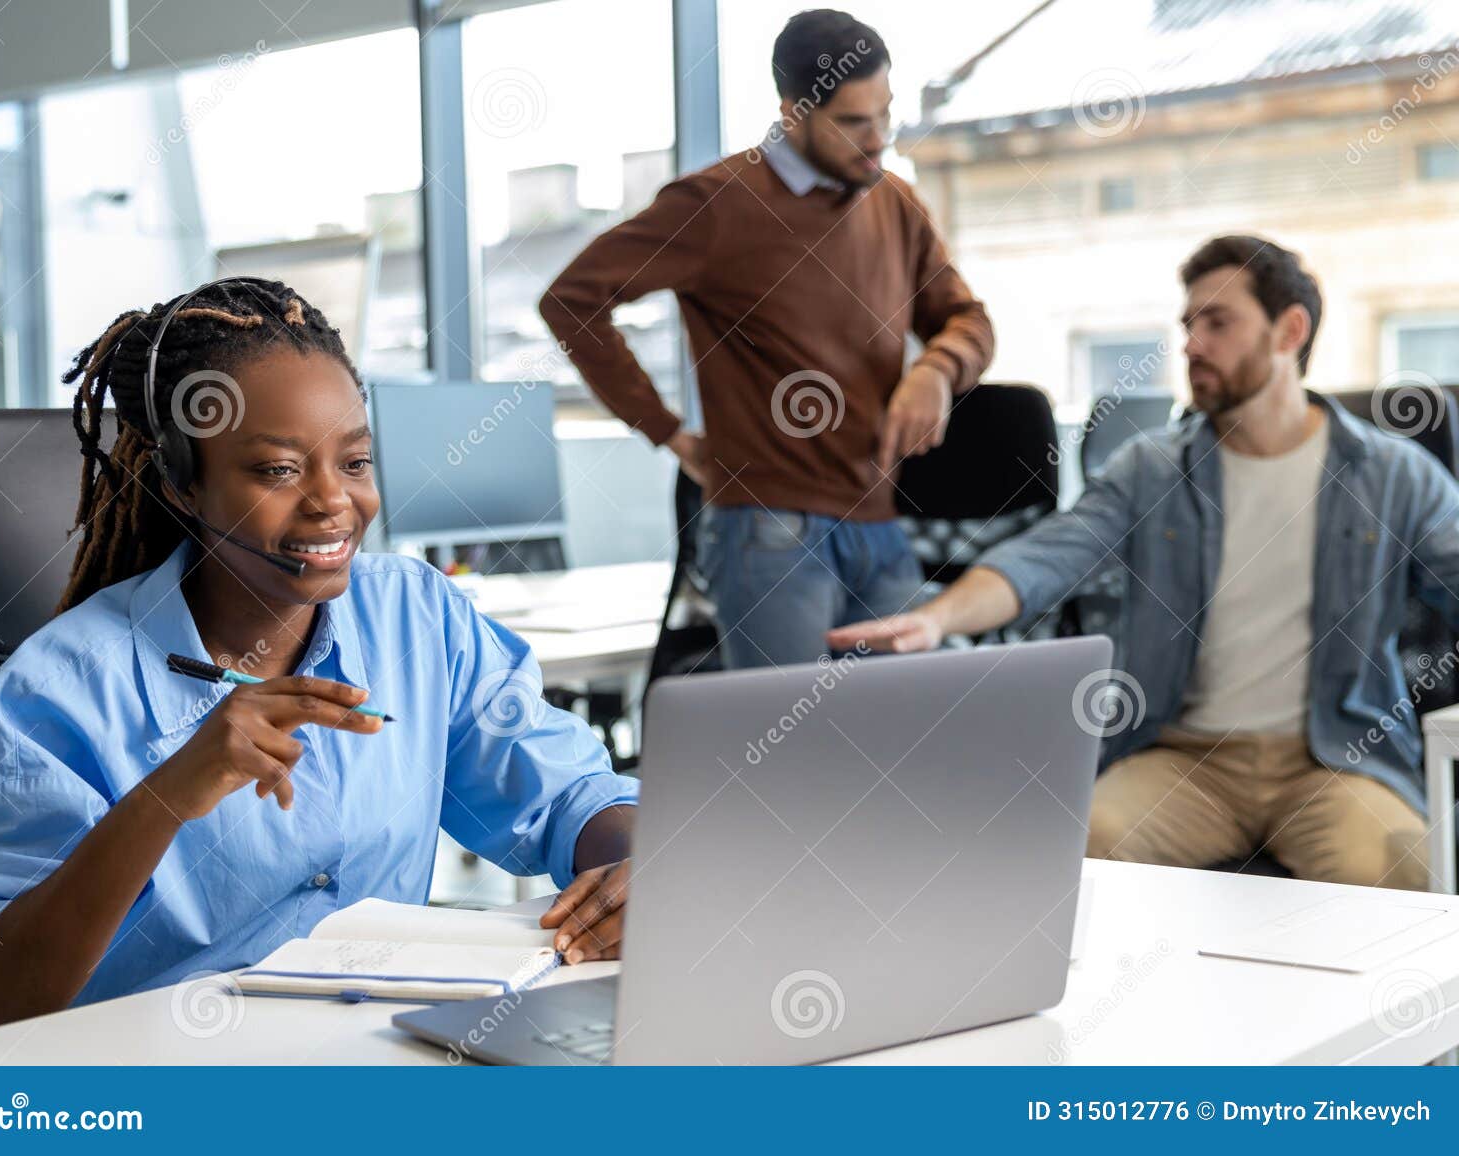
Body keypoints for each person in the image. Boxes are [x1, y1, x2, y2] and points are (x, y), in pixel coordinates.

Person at [0, 278, 640, 1036]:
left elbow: (567, 796)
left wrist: (635, 869)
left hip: (378, 1061)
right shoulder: (58, 691)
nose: (332, 501)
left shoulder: (416, 618)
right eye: (278, 470)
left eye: (354, 463)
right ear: (181, 482)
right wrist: (167, 797)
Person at [830, 235, 1459, 890]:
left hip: (1336, 762)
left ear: (1288, 331)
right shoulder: (1152, 469)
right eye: (1188, 324)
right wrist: (935, 620)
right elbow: (1046, 557)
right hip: (1185, 762)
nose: (1190, 344)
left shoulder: (1393, 474)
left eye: (1217, 322)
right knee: (1074, 855)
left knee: (1406, 872)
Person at [540, 9, 993, 670]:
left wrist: (938, 371)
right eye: (854, 122)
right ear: (793, 111)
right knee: (790, 757)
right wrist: (664, 430)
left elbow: (970, 320)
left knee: (902, 753)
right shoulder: (717, 204)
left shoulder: (895, 202)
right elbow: (572, 300)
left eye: (886, 115)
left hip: (882, 524)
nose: (879, 140)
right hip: (769, 531)